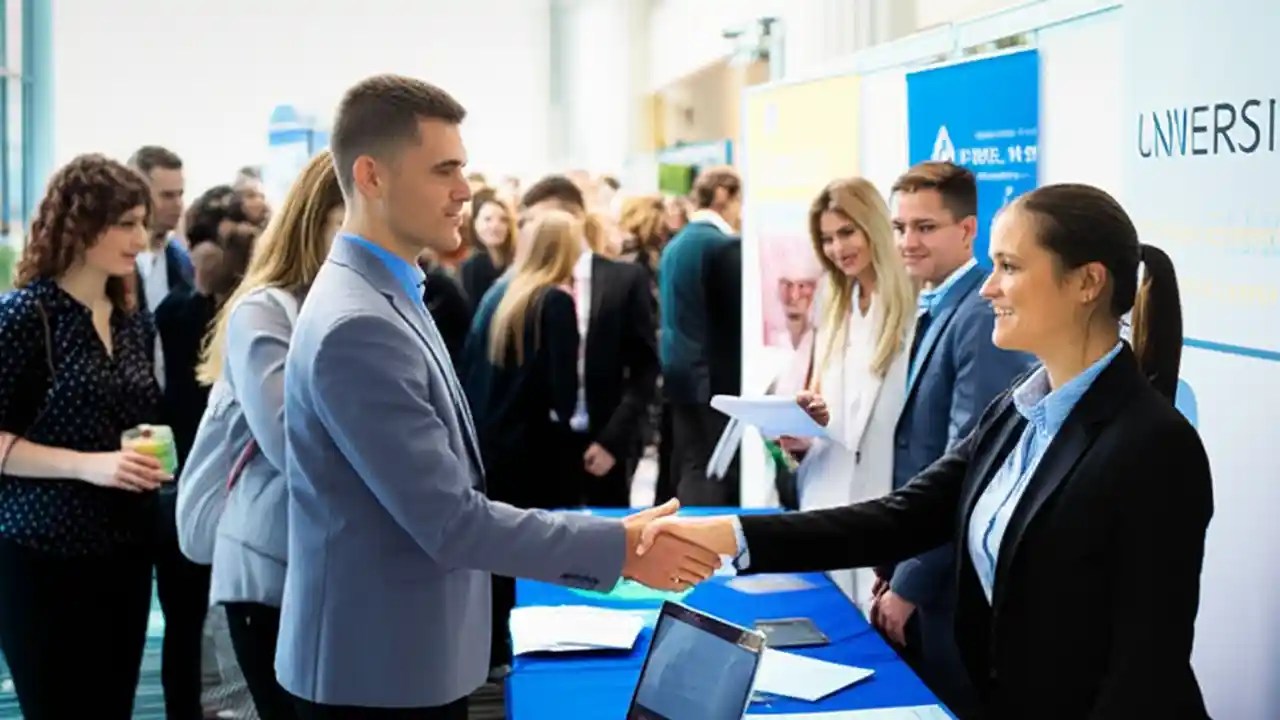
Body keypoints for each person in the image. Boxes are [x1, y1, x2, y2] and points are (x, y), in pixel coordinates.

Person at [636, 183, 1212, 720]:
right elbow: (905, 517)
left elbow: (1144, 666)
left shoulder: (1153, 444)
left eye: (1009, 267)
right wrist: (729, 536)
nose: (988, 286)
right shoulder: (1016, 407)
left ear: (1087, 283)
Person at [275, 74, 718, 720]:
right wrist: (617, 549)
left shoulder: (389, 291)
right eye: (444, 170)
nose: (465, 191)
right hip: (375, 674)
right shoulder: (358, 322)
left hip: (401, 657)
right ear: (372, 176)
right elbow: (449, 520)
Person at [0, 154, 172, 719]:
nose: (141, 238)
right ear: (79, 224)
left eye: (142, 222)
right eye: (125, 223)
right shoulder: (28, 315)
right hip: (43, 555)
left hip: (123, 552)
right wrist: (87, 464)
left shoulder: (129, 318)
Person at [185, 150, 345, 720]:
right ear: (316, 219)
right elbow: (294, 447)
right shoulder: (267, 310)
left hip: (326, 564)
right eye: (349, 222)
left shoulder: (370, 301)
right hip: (269, 567)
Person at [879, 162, 1034, 714]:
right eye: (899, 227)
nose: (907, 242)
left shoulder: (978, 316)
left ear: (968, 231)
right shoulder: (939, 305)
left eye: (924, 227)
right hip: (919, 566)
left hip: (948, 588)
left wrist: (912, 582)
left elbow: (968, 465)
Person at [778, 178, 915, 607]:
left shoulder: (913, 304)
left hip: (883, 499)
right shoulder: (835, 304)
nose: (838, 248)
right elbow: (826, 405)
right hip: (826, 492)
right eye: (827, 239)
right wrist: (798, 434)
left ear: (873, 226)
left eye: (847, 232)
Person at [461, 209, 585, 674]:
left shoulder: (501, 295)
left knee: (498, 557)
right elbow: (562, 396)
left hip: (492, 448)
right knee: (536, 558)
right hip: (536, 454)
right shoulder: (554, 302)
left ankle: (494, 653)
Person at [154, 197, 258, 720]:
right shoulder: (254, 321)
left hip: (185, 476)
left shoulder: (175, 312)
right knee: (236, 611)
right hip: (230, 479)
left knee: (185, 617)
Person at [518, 175, 659, 509]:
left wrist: (614, 441)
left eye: (540, 221)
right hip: (544, 446)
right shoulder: (525, 287)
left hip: (605, 439)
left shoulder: (623, 280)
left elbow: (644, 369)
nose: (533, 232)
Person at [657, 166, 742, 505]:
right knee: (715, 472)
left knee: (693, 465)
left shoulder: (676, 246)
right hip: (715, 380)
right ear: (724, 195)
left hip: (681, 376)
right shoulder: (722, 247)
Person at [458, 187, 517, 309]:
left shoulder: (517, 261)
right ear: (475, 223)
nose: (495, 226)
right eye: (487, 219)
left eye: (503, 220)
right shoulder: (472, 266)